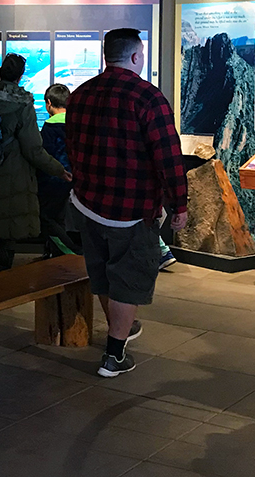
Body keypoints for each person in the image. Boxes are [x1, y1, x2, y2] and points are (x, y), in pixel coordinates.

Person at [66, 28, 188, 379]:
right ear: (136, 56)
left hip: (87, 205)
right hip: (132, 212)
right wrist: (179, 203)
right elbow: (168, 157)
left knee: (103, 274)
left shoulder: (80, 95)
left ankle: (122, 327)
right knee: (129, 279)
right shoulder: (148, 98)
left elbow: (73, 149)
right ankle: (114, 355)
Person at [0, 53, 68, 275]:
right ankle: (3, 283)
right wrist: (59, 170)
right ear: (20, 76)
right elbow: (33, 149)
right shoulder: (22, 104)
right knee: (7, 234)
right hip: (11, 178)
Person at [38, 83, 78, 259]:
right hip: (73, 179)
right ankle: (57, 256)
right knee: (59, 218)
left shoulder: (49, 127)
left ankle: (70, 252)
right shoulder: (75, 124)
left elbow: (43, 155)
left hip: (52, 181)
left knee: (46, 218)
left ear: (48, 103)